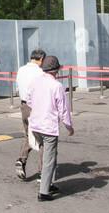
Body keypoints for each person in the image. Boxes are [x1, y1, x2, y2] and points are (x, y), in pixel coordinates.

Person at [25, 55, 73, 201]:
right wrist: (69, 127)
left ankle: (49, 183)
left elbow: (29, 100)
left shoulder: (35, 82)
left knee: (50, 154)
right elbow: (63, 110)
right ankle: (44, 191)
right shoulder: (56, 86)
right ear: (56, 71)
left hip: (35, 125)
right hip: (48, 127)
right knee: (49, 157)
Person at [14, 48, 46, 180]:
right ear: (41, 59)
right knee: (43, 139)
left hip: (24, 105)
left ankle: (21, 159)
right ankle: (42, 172)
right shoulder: (40, 72)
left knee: (28, 135)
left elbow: (17, 88)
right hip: (37, 107)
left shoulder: (21, 69)